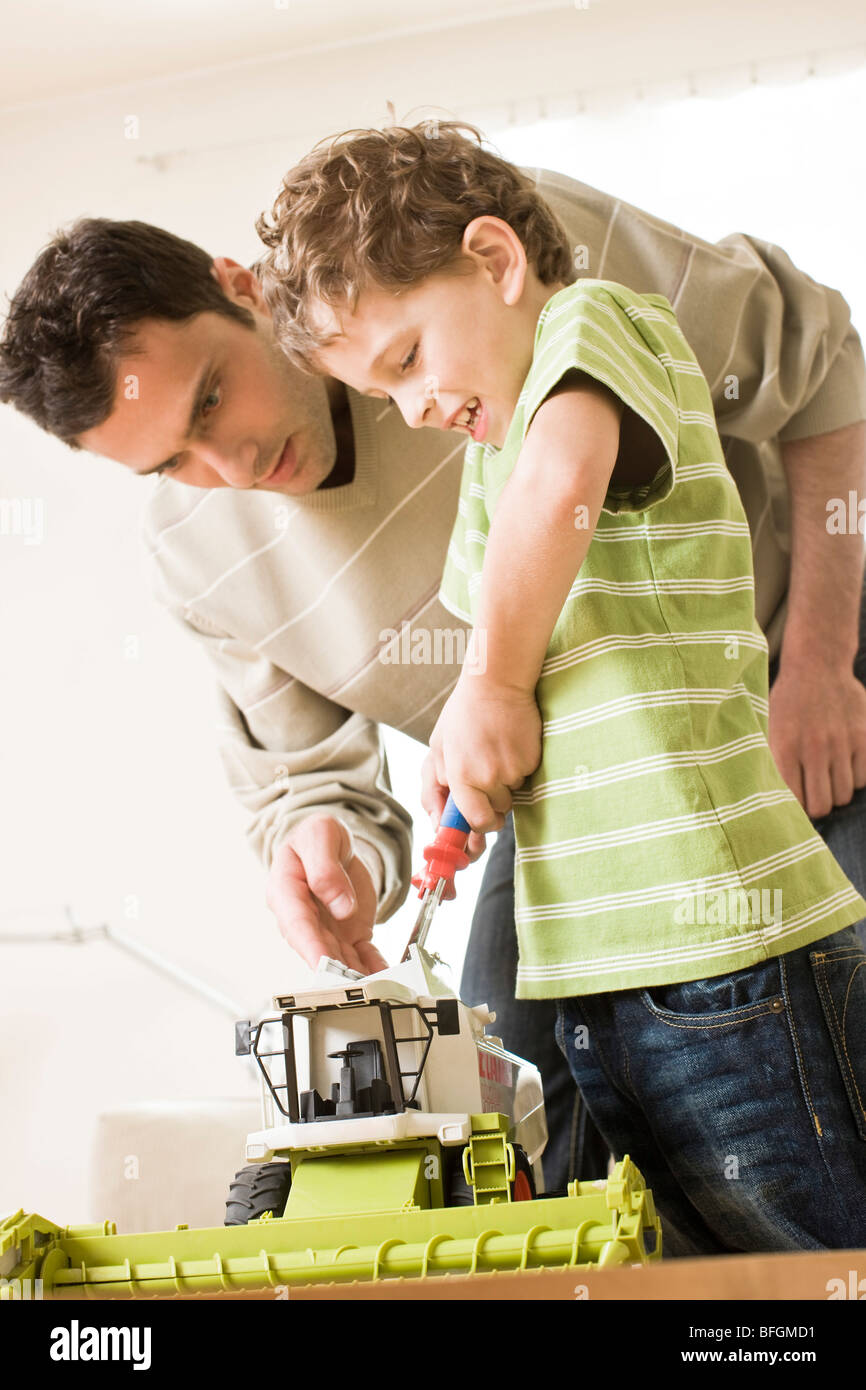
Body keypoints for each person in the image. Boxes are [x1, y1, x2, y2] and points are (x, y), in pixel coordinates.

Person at [1, 146, 864, 1201]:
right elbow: (310, 780)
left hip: (783, 676)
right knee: (514, 1100)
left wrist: (820, 659)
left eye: (212, 399)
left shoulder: (479, 273)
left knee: (805, 1036)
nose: (231, 468)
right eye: (173, 462)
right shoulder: (199, 554)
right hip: (567, 779)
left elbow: (820, 374)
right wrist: (329, 847)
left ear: (240, 287)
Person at [253, 121, 866, 1254]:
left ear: (494, 261)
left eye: (403, 362)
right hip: (603, 976)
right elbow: (492, 639)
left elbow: (562, 486)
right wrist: (458, 737)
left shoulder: (593, 331)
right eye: (377, 393)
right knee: (690, 1280)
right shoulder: (492, 458)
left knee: (819, 1258)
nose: (411, 410)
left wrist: (489, 678)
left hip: (726, 954)